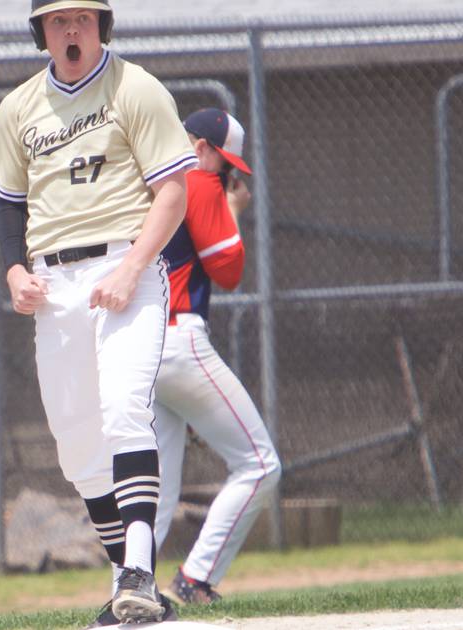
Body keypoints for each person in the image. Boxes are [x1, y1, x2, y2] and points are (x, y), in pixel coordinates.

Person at [0, 0, 198, 625]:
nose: (71, 29)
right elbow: (6, 204)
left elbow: (174, 193)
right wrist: (15, 271)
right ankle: (129, 586)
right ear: (41, 33)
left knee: (126, 408)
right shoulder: (18, 108)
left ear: (101, 25)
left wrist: (133, 266)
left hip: (124, 268)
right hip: (53, 283)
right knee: (77, 447)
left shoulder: (136, 88)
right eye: (58, 20)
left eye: (82, 18)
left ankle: (137, 571)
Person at [152, 107, 282, 605]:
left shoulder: (151, 184)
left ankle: (131, 587)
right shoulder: (197, 181)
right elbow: (227, 269)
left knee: (157, 490)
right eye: (223, 160)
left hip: (144, 347)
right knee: (259, 465)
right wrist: (234, 210)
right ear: (199, 145)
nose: (225, 173)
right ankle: (195, 577)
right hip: (181, 341)